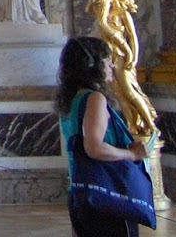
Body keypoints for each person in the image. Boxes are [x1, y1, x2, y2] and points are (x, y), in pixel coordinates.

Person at [56, 36, 149, 237]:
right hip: (106, 194)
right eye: (106, 60)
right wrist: (131, 154)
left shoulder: (72, 99)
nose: (111, 66)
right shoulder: (94, 98)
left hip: (81, 192)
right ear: (92, 65)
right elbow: (94, 147)